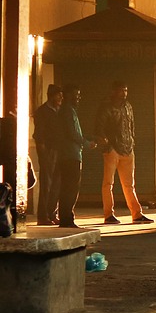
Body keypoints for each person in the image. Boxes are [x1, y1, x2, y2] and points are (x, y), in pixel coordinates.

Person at [96, 80, 152, 224]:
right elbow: (99, 127)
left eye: (125, 90)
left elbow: (131, 126)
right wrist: (106, 144)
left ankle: (136, 213)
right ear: (113, 91)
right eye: (121, 90)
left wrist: (132, 141)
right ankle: (108, 214)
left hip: (128, 148)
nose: (124, 93)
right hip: (113, 148)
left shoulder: (128, 106)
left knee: (129, 184)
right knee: (108, 183)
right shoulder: (106, 107)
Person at [57, 85, 95, 228]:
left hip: (71, 153)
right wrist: (86, 143)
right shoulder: (67, 112)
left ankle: (66, 217)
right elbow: (72, 133)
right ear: (67, 96)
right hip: (70, 155)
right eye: (75, 95)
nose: (78, 98)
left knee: (68, 187)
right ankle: (67, 218)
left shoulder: (69, 111)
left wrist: (90, 138)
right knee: (70, 188)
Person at [33, 84, 63, 225]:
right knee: (47, 183)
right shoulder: (42, 112)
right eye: (58, 95)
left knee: (57, 183)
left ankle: (52, 213)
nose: (61, 98)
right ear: (51, 95)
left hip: (59, 149)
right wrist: (43, 151)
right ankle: (43, 216)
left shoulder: (59, 111)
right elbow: (39, 133)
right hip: (48, 150)